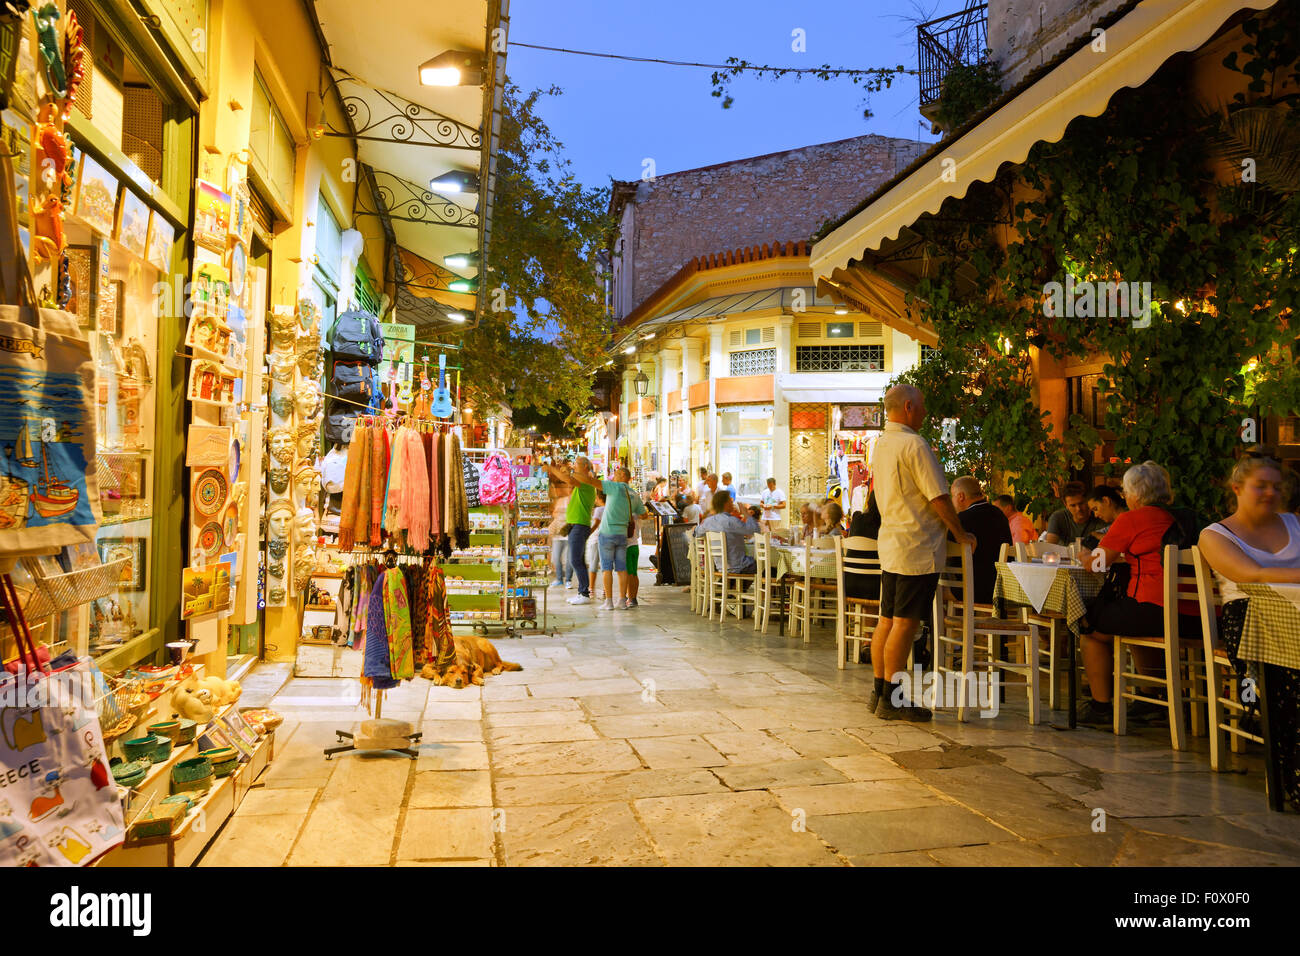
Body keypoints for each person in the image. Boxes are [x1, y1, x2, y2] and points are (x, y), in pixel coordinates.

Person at [868, 384, 976, 721]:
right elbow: (938, 496)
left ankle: (879, 692)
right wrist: (960, 532)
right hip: (916, 545)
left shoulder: (882, 444)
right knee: (905, 622)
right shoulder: (914, 444)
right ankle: (892, 699)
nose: (927, 412)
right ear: (910, 406)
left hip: (893, 542)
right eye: (924, 406)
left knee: (887, 619)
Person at [1198, 454, 1300, 809]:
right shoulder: (1215, 535)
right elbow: (1251, 574)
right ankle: (1294, 773)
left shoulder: (1295, 524)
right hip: (1251, 618)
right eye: (1261, 486)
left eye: (1276, 486)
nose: (1270, 493)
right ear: (1238, 488)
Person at [1076, 462, 1203, 726]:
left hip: (1156, 609)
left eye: (1124, 491)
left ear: (1133, 493)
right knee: (1130, 625)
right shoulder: (1191, 517)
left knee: (1089, 627)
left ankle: (1101, 707)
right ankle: (1149, 699)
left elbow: (1098, 565)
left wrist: (1086, 556)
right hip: (1198, 616)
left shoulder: (1132, 518)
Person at [571, 466, 645, 610]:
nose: (613, 476)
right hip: (622, 534)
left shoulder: (614, 487)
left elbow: (591, 481)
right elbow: (644, 514)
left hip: (607, 532)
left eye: (616, 474)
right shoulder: (634, 495)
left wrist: (573, 473)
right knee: (622, 569)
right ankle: (623, 601)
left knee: (606, 568)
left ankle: (609, 602)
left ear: (623, 475)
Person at [544, 457, 597, 606]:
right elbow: (567, 480)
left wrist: (551, 469)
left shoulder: (586, 481)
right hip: (576, 525)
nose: (574, 466)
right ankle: (583, 592)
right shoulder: (581, 484)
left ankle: (584, 592)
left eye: (577, 464)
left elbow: (567, 478)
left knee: (574, 560)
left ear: (586, 466)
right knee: (577, 560)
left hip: (579, 526)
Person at [950, 476, 1012, 603]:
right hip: (1002, 589)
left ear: (961, 496)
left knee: (930, 589)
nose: (952, 501)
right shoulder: (1000, 515)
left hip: (974, 590)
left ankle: (939, 622)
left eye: (952, 496)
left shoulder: (961, 520)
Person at [694, 490, 760, 573]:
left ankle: (732, 584)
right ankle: (735, 584)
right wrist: (746, 513)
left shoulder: (708, 522)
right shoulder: (731, 521)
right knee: (768, 567)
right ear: (725, 504)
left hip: (720, 567)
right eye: (730, 500)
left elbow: (696, 533)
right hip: (739, 566)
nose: (732, 502)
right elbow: (755, 530)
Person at [1044, 481, 1106, 545]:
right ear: (1066, 505)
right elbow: (1050, 546)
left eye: (1081, 503)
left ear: (1088, 501)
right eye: (1073, 505)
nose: (1078, 509)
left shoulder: (1099, 517)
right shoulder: (1058, 517)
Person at [625, 512, 643, 608]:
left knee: (629, 574)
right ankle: (633, 598)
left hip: (627, 546)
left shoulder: (627, 515)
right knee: (634, 573)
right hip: (635, 546)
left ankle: (630, 598)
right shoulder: (638, 515)